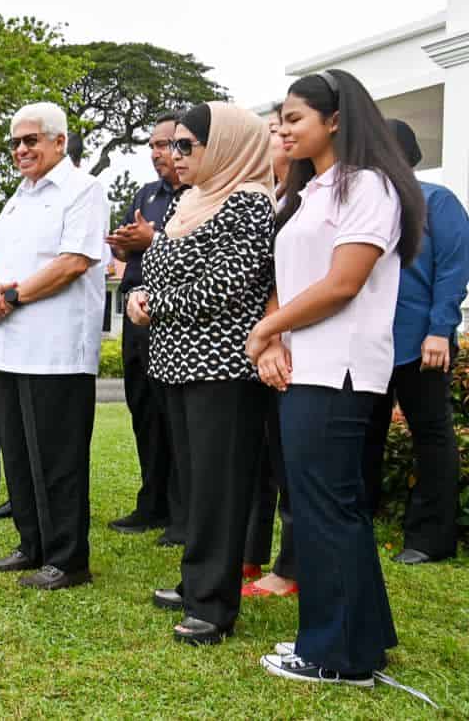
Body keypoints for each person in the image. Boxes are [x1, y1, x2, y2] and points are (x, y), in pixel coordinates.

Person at [248, 69, 423, 686]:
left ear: (336, 119)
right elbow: (288, 279)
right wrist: (275, 334)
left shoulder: (367, 186)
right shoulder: (309, 192)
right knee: (330, 505)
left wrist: (267, 330)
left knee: (327, 509)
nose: (283, 130)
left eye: (294, 119)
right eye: (280, 121)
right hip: (305, 366)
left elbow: (343, 284)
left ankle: (334, 655)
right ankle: (362, 640)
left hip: (339, 368)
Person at [127, 102, 275, 645]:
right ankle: (196, 582)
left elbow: (227, 286)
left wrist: (156, 305)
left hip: (223, 368)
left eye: (187, 145)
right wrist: (139, 294)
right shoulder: (189, 199)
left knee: (220, 485)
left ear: (228, 146)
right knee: (193, 482)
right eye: (173, 145)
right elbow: (158, 267)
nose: (175, 155)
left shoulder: (250, 202)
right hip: (175, 362)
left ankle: (213, 604)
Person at [0, 102, 108, 592]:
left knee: (58, 458)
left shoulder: (83, 189)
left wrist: (10, 297)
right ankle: (31, 543)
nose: (21, 149)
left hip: (56, 349)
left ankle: (68, 559)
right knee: (17, 453)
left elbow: (74, 261)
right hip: (9, 344)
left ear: (59, 141)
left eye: (30, 140)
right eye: (15, 142)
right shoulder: (18, 195)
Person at [359, 118, 469, 564]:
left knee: (431, 435)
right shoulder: (363, 208)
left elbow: (453, 270)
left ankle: (429, 539)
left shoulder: (437, 201)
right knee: (364, 434)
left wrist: (440, 329)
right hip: (369, 342)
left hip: (422, 341)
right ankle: (357, 521)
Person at [106, 112, 187, 543]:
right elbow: (129, 247)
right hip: (135, 315)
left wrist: (150, 240)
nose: (157, 153)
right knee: (144, 411)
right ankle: (151, 503)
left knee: (176, 417)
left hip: (172, 316)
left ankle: (182, 513)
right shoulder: (146, 194)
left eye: (166, 144)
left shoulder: (199, 195)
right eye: (152, 145)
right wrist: (124, 245)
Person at [243, 107, 298, 598]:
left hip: (290, 343)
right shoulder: (265, 196)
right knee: (258, 458)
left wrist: (272, 332)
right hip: (261, 346)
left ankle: (291, 566)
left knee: (289, 463)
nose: (269, 141)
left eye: (276, 132)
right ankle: (250, 552)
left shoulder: (303, 199)